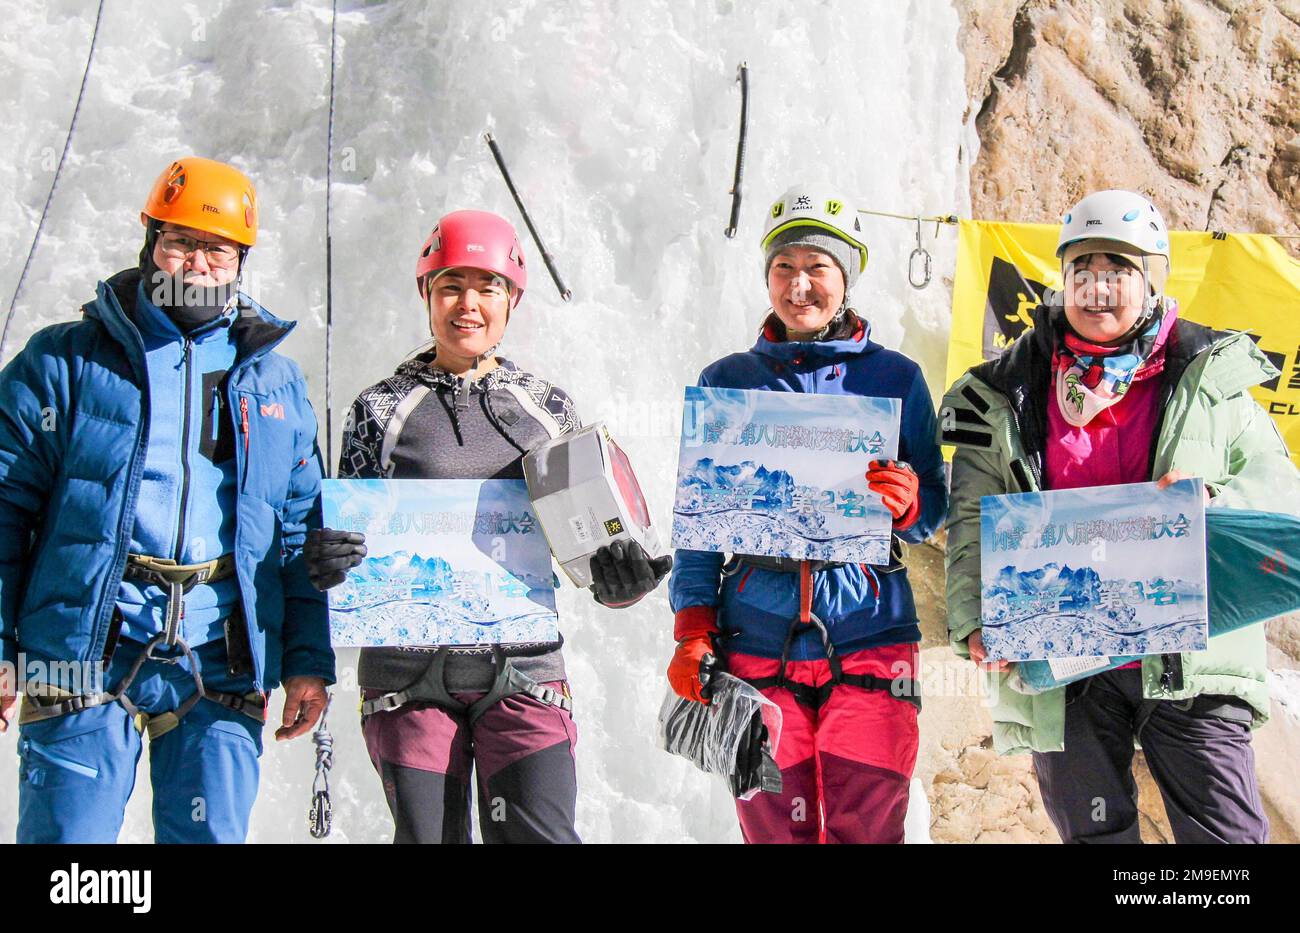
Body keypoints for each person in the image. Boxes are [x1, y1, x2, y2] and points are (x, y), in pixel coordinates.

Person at [941, 188, 1300, 843]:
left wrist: (1211, 505)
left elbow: (1281, 491)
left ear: (1152, 278)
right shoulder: (1008, 391)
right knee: (1095, 832)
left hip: (1191, 648)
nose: (1099, 286)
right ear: (1062, 280)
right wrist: (971, 617)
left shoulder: (1209, 378)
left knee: (1224, 840)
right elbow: (971, 513)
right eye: (1083, 268)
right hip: (1069, 658)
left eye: (1119, 270)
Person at [306, 209, 670, 844]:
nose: (467, 304)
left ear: (513, 299)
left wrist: (621, 582)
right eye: (450, 286)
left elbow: (590, 544)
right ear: (426, 294)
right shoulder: (379, 410)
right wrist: (327, 561)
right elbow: (355, 547)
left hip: (525, 671)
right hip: (407, 680)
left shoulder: (547, 409)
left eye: (487, 287)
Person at [0, 156, 333, 843]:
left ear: (240, 261)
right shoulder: (63, 361)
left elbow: (297, 534)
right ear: (149, 241)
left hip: (221, 653)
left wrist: (306, 661)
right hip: (84, 646)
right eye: (178, 241)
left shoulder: (275, 383)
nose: (194, 263)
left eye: (216, 249)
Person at [666, 184, 948, 844]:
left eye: (817, 267)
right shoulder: (726, 380)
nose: (799, 285)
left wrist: (909, 504)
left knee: (869, 831)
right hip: (756, 641)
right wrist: (691, 627)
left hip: (870, 632)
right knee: (774, 833)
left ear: (846, 277)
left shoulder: (895, 378)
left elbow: (935, 506)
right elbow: (701, 523)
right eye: (783, 267)